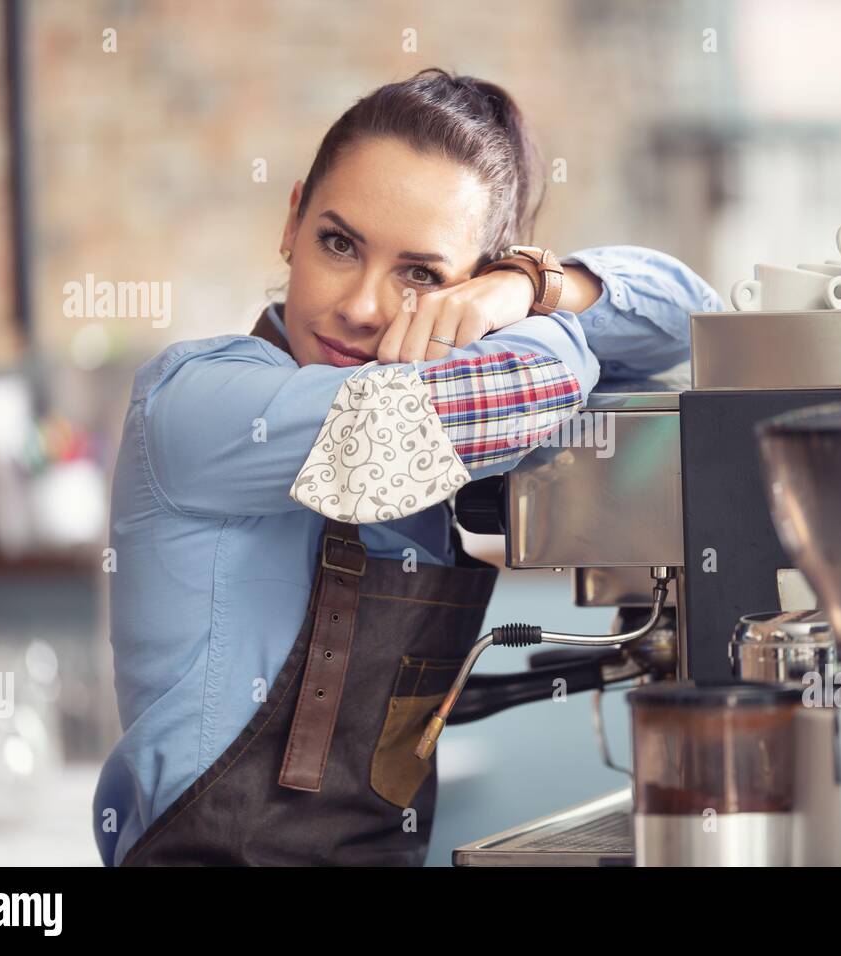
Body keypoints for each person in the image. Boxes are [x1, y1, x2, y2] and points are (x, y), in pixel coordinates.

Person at [93, 67, 722, 866]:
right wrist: (532, 302)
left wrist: (522, 288)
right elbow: (526, 389)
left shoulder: (439, 386)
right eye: (338, 242)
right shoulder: (195, 403)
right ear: (291, 221)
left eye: (419, 275)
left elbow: (696, 322)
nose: (361, 305)